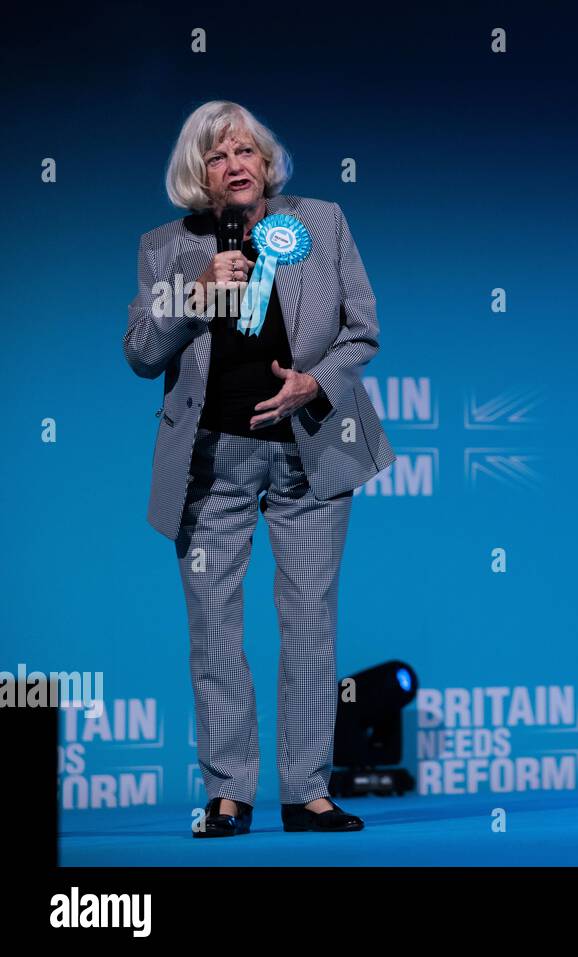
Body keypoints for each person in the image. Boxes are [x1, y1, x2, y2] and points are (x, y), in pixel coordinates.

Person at [123, 100, 395, 836]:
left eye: (245, 150)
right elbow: (143, 352)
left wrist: (315, 383)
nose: (235, 164)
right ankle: (228, 794)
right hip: (213, 461)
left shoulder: (323, 221)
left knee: (310, 620)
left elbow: (362, 331)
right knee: (214, 626)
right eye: (217, 156)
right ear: (198, 176)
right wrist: (196, 294)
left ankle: (308, 791)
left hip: (310, 449)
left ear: (266, 163)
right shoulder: (165, 247)